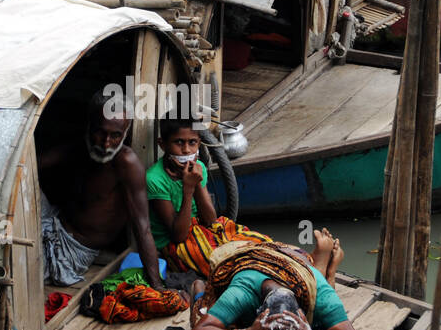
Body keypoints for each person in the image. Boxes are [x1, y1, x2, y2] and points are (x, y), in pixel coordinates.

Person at [147, 116, 345, 283]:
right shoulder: (155, 179)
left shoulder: (199, 167)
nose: (186, 150)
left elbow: (211, 220)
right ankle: (314, 274)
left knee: (259, 243)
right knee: (234, 264)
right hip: (177, 245)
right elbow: (178, 236)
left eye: (192, 142)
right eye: (178, 143)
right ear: (163, 145)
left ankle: (309, 260)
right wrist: (188, 187)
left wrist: (198, 183)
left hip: (207, 228)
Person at [38, 90, 164, 288]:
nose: (106, 144)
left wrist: (157, 286)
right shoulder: (82, 146)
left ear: (126, 132)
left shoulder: (126, 164)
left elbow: (143, 227)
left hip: (71, 250)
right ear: (89, 126)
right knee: (24, 186)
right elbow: (34, 165)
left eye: (115, 136)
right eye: (100, 132)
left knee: (19, 265)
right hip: (52, 222)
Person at [186, 240, 364, 330]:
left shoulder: (319, 294)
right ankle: (198, 289)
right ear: (259, 312)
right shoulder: (242, 291)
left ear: (302, 314)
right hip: (246, 253)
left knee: (323, 327)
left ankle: (324, 269)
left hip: (295, 256)